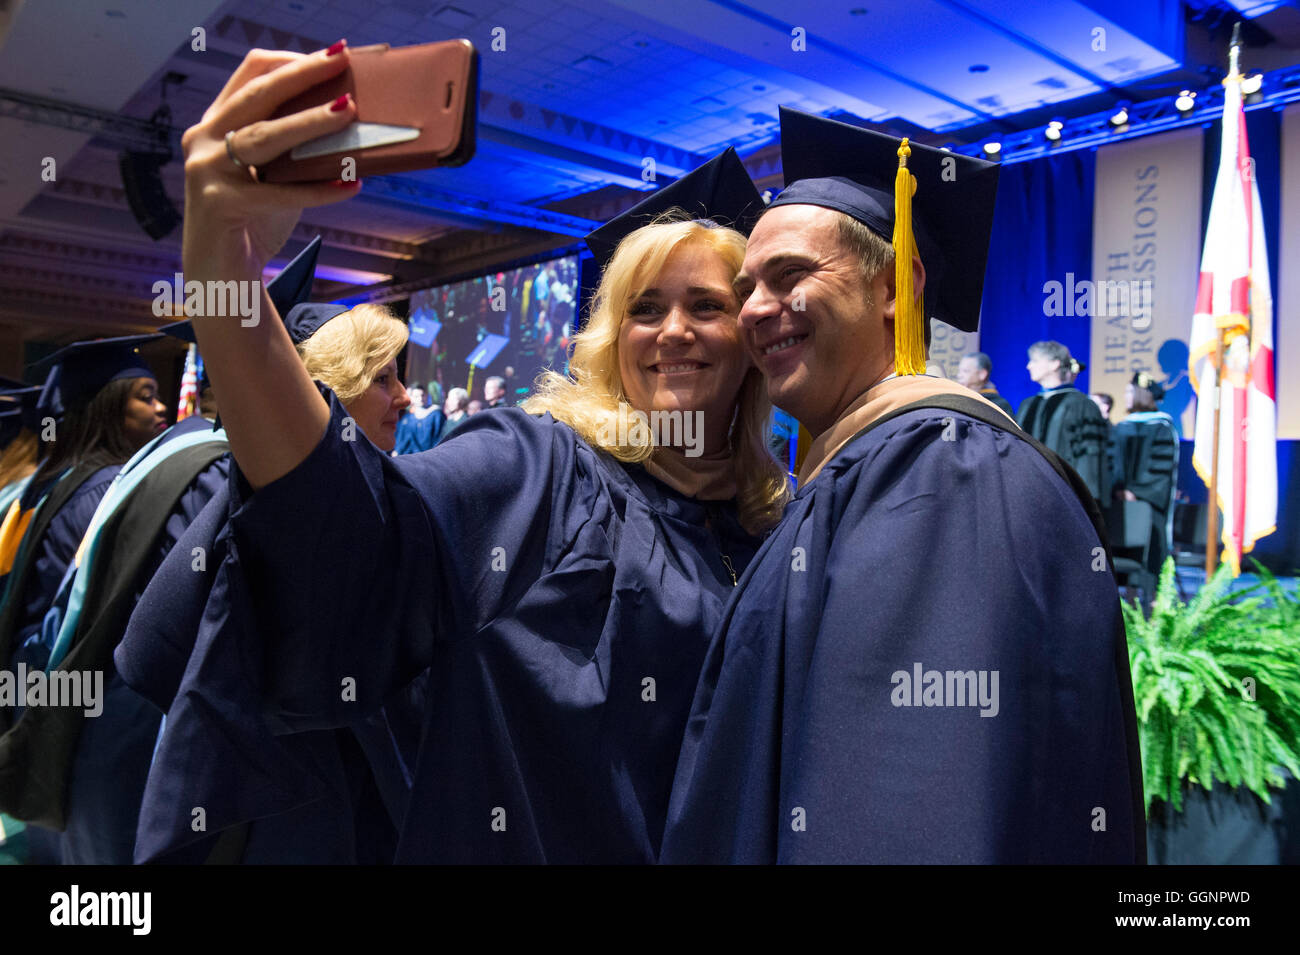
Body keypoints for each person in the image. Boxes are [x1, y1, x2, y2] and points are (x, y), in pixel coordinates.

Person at [145, 45, 785, 862]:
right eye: (644, 308)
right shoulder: (543, 471)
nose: (672, 332)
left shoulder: (776, 522)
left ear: (755, 337)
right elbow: (351, 526)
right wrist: (226, 281)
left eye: (707, 305)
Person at [661, 108, 1145, 864]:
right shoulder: (882, 464)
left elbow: (908, 818)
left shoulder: (940, 476)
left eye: (789, 276)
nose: (753, 308)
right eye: (747, 285)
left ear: (897, 285)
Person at [117, 239, 418, 864]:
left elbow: (149, 648)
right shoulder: (285, 508)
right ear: (328, 390)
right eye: (383, 378)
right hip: (307, 800)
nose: (405, 397)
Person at [0, 336, 168, 863]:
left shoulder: (58, 481)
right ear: (107, 405)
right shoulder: (106, 490)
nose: (162, 407)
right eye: (145, 395)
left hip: (43, 687)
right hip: (81, 698)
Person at [1016, 341, 1109, 501]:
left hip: (1067, 494)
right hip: (1026, 491)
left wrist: (1084, 496)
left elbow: (1089, 456)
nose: (1029, 366)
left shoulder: (1082, 405)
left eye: (1035, 361)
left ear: (1054, 364)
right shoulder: (1028, 404)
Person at [1109, 372, 1179, 574]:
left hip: (1149, 502)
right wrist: (1118, 489)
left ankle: (1152, 599)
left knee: (1151, 547)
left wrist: (1136, 492)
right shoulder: (1122, 426)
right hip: (1120, 499)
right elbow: (1113, 462)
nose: (1125, 396)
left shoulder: (1162, 426)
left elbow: (1161, 467)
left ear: (1142, 394)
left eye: (1129, 391)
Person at [954, 351, 1013, 417]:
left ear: (982, 374)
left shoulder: (999, 405)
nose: (959, 376)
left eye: (965, 371)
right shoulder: (957, 400)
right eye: (959, 371)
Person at [393, 385, 444, 455]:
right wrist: (397, 451)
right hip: (408, 458)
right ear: (411, 398)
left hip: (427, 456)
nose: (420, 398)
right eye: (416, 396)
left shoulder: (436, 415)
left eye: (423, 395)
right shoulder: (408, 418)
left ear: (427, 396)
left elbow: (438, 438)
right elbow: (402, 439)